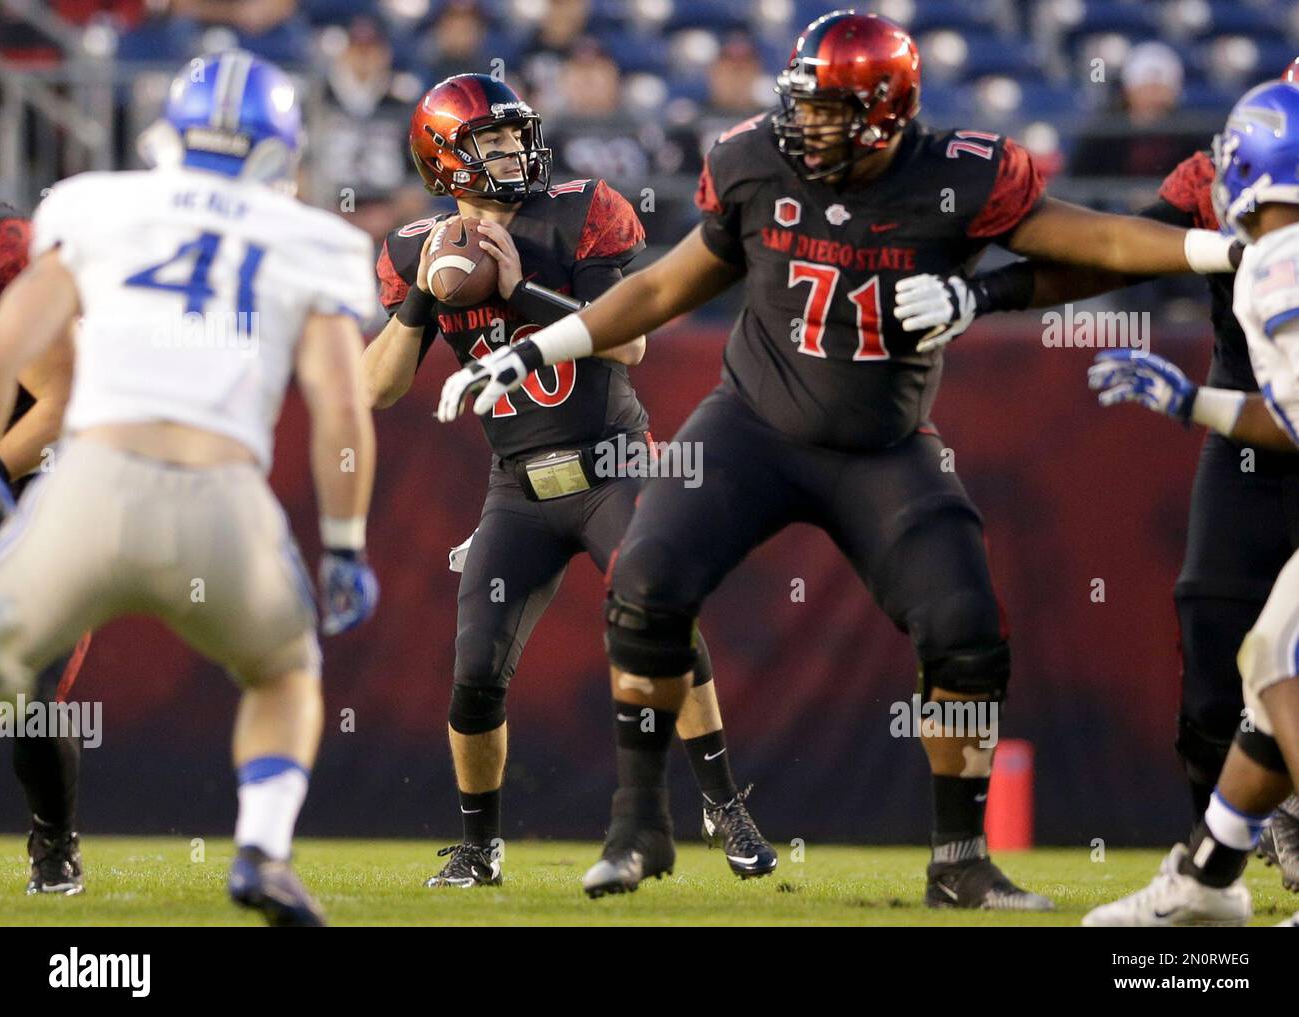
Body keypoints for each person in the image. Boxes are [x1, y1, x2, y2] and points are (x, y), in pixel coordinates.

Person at [438, 11, 1241, 904]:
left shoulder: (958, 174)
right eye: (803, 107)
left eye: (829, 112)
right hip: (751, 424)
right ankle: (640, 827)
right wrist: (539, 346)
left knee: (965, 628)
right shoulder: (755, 158)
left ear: (887, 111)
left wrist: (1219, 247)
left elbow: (1098, 242)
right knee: (647, 581)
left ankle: (960, 860)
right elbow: (668, 284)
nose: (806, 127)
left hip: (882, 442)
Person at [362, 74, 776, 888]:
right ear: (446, 159)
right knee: (474, 672)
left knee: (659, 622)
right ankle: (479, 850)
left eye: (518, 134)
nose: (516, 150)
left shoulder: (583, 210)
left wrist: (517, 290)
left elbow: (631, 346)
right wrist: (421, 292)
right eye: (492, 140)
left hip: (610, 462)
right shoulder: (416, 247)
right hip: (515, 485)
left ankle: (725, 805)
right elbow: (373, 388)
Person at [0, 51, 380, 926]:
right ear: (280, 148)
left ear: (169, 130)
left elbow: (14, 333)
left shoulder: (92, 202)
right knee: (285, 672)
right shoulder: (314, 239)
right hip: (221, 499)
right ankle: (261, 852)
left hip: (88, 484)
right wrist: (347, 545)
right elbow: (340, 404)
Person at [1083, 79, 1299, 925]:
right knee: (1269, 663)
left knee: (1279, 666)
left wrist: (1189, 405)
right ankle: (1210, 878)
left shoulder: (1276, 260)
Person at [0, 203, 89, 896]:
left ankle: (53, 842)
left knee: (27, 695)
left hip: (50, 482)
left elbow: (61, 401)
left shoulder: (13, 255)